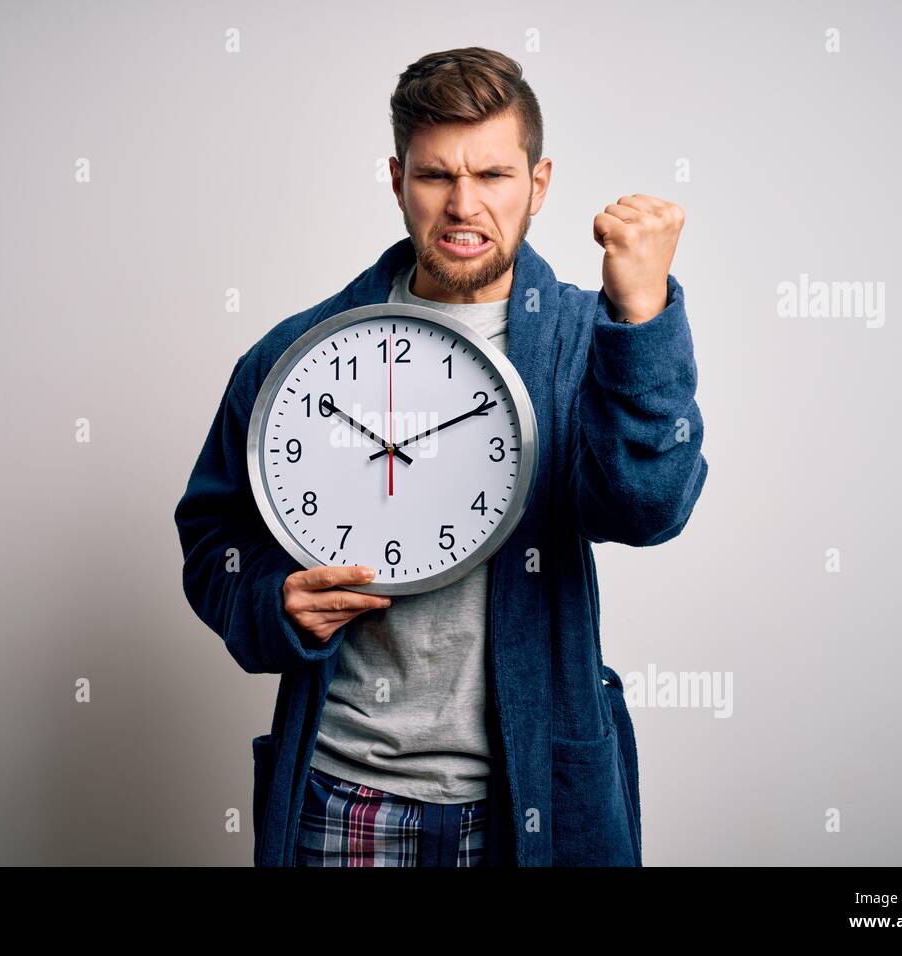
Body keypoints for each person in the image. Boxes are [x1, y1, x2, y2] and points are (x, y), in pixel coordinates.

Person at [174, 46, 708, 867]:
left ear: (539, 182)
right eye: (435, 177)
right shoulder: (297, 355)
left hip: (531, 798)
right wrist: (273, 600)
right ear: (397, 181)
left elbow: (647, 509)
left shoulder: (584, 340)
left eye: (493, 175)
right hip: (343, 792)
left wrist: (641, 318)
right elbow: (214, 542)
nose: (464, 205)